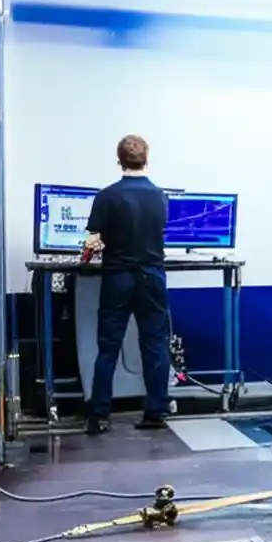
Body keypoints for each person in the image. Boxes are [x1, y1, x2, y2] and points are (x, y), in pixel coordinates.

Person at [82, 135, 172, 434]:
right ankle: (156, 412)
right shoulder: (161, 196)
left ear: (118, 160)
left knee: (108, 348)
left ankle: (99, 415)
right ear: (147, 158)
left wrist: (97, 245)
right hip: (152, 278)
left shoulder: (107, 196)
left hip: (118, 278)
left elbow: (93, 241)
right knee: (155, 345)